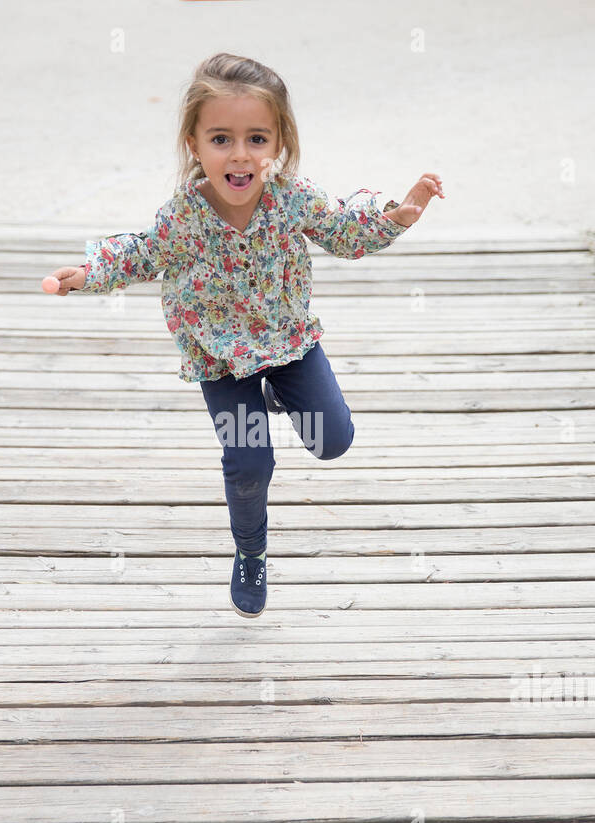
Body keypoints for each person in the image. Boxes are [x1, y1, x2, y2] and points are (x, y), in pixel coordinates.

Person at [43, 52, 444, 618]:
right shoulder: (186, 215)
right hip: (221, 357)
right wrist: (89, 275)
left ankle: (281, 393)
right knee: (249, 462)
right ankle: (251, 551)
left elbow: (344, 230)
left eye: (257, 138)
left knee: (334, 440)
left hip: (287, 342)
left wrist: (398, 214)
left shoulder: (292, 197)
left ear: (279, 143)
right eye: (221, 139)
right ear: (194, 144)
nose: (239, 154)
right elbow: (141, 251)